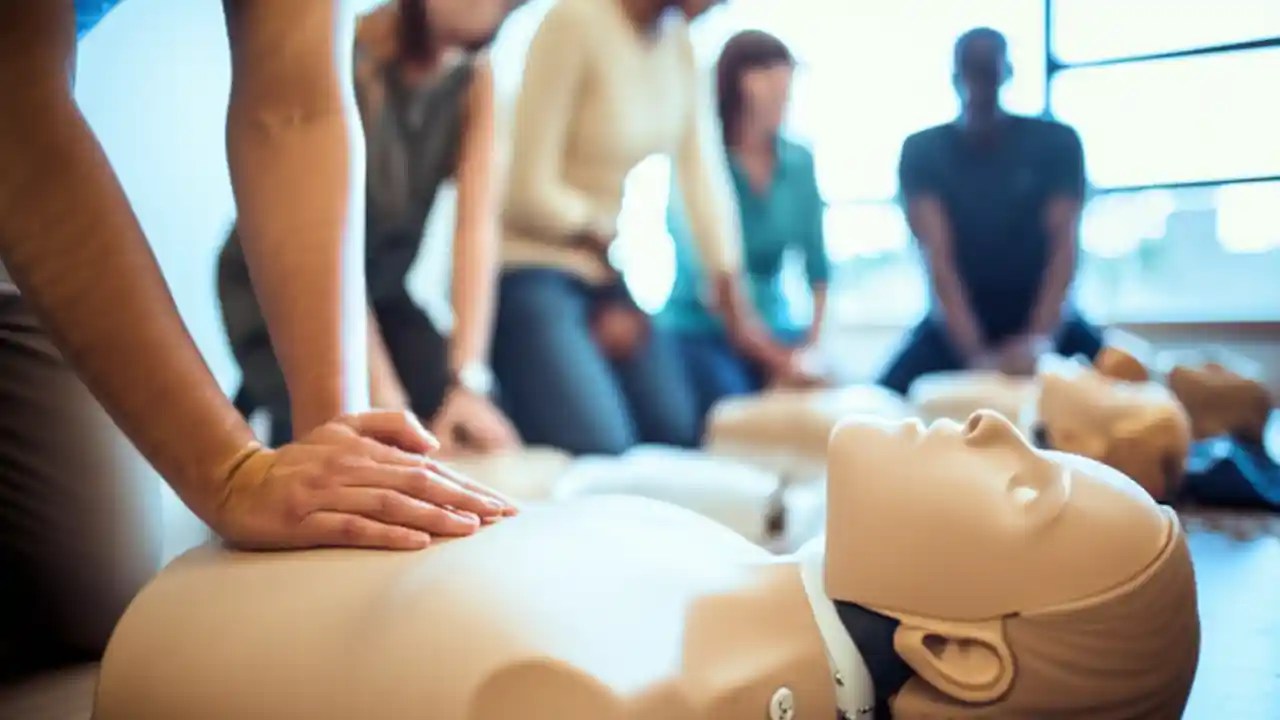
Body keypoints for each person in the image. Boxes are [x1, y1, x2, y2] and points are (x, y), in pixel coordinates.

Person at [0, 0, 514, 680]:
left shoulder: (475, 81)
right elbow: (14, 89)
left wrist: (344, 435)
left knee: (91, 589)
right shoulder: (375, 50)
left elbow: (294, 106)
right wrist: (230, 469)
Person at [94, 411, 1200, 719]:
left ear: (955, 653)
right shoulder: (710, 564)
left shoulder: (614, 697)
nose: (995, 429)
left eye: (1027, 492)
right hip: (203, 581)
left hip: (159, 641)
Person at [219, 0, 521, 455]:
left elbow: (474, 232)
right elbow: (325, 247)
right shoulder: (345, 56)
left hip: (382, 290)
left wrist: (468, 381)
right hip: (283, 280)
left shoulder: (474, 79)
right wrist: (385, 400)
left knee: (471, 422)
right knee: (341, 440)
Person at [491, 0, 789, 456]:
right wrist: (602, 238)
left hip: (604, 271)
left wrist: (736, 304)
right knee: (601, 444)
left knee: (676, 428)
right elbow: (525, 190)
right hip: (533, 269)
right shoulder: (573, 21)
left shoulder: (680, 45)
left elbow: (702, 177)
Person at [878, 27, 1103, 396]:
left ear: (1007, 72)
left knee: (1129, 394)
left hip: (1047, 323)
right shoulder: (923, 151)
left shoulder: (1057, 143)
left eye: (989, 67)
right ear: (955, 76)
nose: (980, 80)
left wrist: (1038, 341)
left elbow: (1064, 250)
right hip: (953, 329)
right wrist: (977, 356)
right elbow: (939, 261)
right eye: (971, 68)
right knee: (879, 403)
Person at [662, 29, 829, 422]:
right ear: (738, 86)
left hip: (778, 328)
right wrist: (776, 360)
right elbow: (710, 283)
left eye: (785, 90)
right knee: (733, 401)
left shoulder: (799, 162)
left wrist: (807, 350)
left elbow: (818, 269)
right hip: (704, 331)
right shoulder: (700, 163)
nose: (780, 100)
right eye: (769, 86)